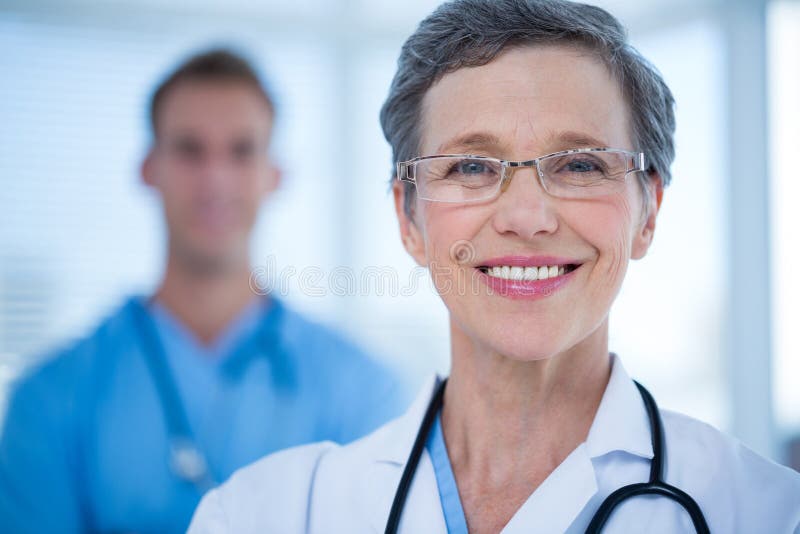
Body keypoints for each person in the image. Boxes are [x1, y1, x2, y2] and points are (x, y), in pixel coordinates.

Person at [187, 1, 800, 533]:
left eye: (580, 165)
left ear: (648, 213)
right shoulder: (262, 516)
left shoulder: (768, 513)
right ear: (409, 220)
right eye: (472, 168)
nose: (527, 216)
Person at [0, 49, 411, 534]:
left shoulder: (362, 392)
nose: (215, 179)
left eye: (241, 151)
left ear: (273, 175)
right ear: (149, 168)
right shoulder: (49, 398)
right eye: (191, 150)